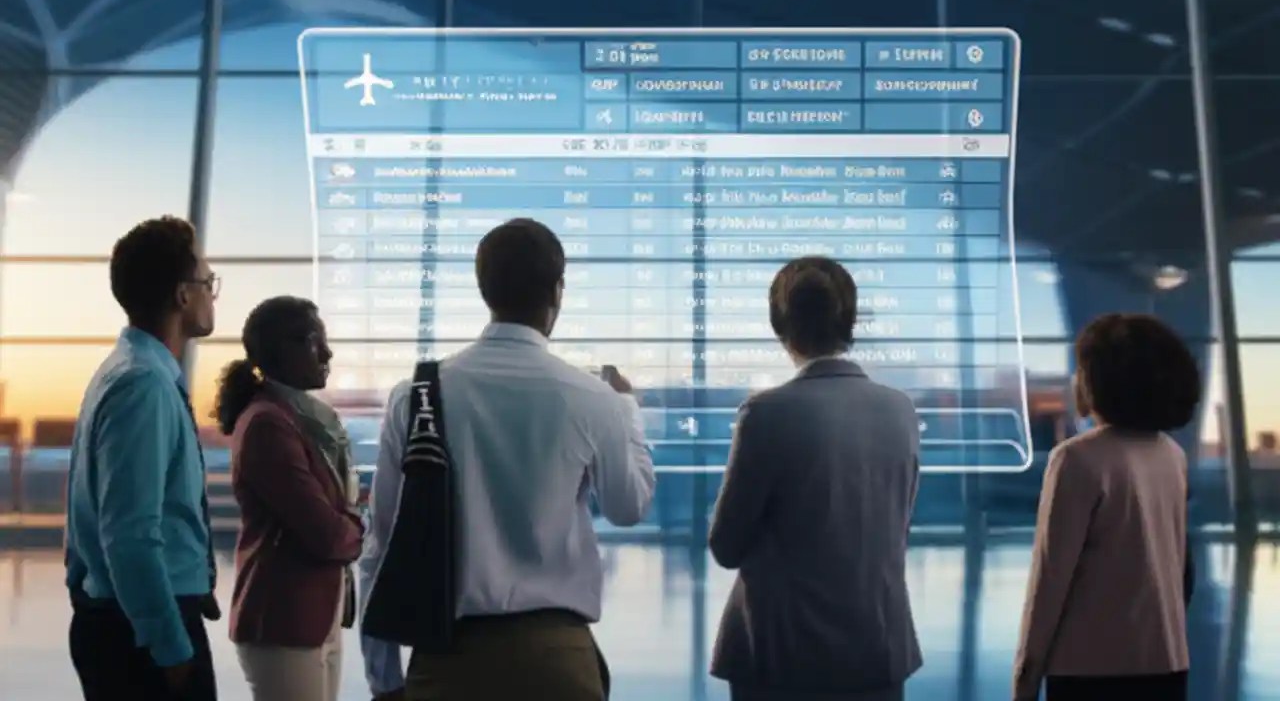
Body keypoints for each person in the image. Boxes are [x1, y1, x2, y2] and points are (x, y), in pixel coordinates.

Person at [360, 217, 656, 701]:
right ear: (558, 291)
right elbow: (628, 507)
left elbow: (384, 546)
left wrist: (385, 679)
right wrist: (628, 411)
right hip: (559, 661)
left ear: (483, 289)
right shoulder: (592, 398)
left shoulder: (416, 396)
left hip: (446, 659)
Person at [708, 256, 921, 701]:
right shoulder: (900, 410)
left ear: (779, 324)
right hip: (876, 653)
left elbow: (726, 546)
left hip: (780, 657)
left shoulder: (766, 413)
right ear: (849, 321)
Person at [64, 216, 220, 700]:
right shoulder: (143, 385)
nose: (213, 294)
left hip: (125, 620)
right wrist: (169, 646)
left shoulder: (125, 372)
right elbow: (129, 533)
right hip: (142, 635)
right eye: (208, 283)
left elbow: (86, 509)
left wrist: (83, 588)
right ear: (182, 295)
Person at [1013, 313, 1200, 701]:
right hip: (1166, 665)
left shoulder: (1077, 459)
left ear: (1097, 381)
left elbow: (1050, 581)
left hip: (1089, 671)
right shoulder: (1172, 454)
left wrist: (1026, 676)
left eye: (1081, 368)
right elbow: (1182, 574)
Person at [218, 296, 364, 701]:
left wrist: (348, 522)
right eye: (314, 341)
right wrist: (360, 528)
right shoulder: (268, 424)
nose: (328, 353)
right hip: (283, 621)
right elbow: (326, 533)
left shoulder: (305, 418)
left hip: (316, 613)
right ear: (282, 349)